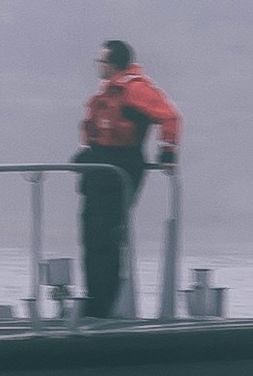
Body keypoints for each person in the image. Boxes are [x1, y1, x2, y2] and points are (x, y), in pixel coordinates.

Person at [73, 33, 179, 318]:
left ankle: (103, 305)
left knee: (107, 234)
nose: (98, 66)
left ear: (113, 64)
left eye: (101, 61)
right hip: (98, 166)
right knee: (91, 233)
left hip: (121, 165)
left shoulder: (136, 90)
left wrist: (168, 153)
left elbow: (169, 116)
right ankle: (93, 299)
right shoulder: (107, 92)